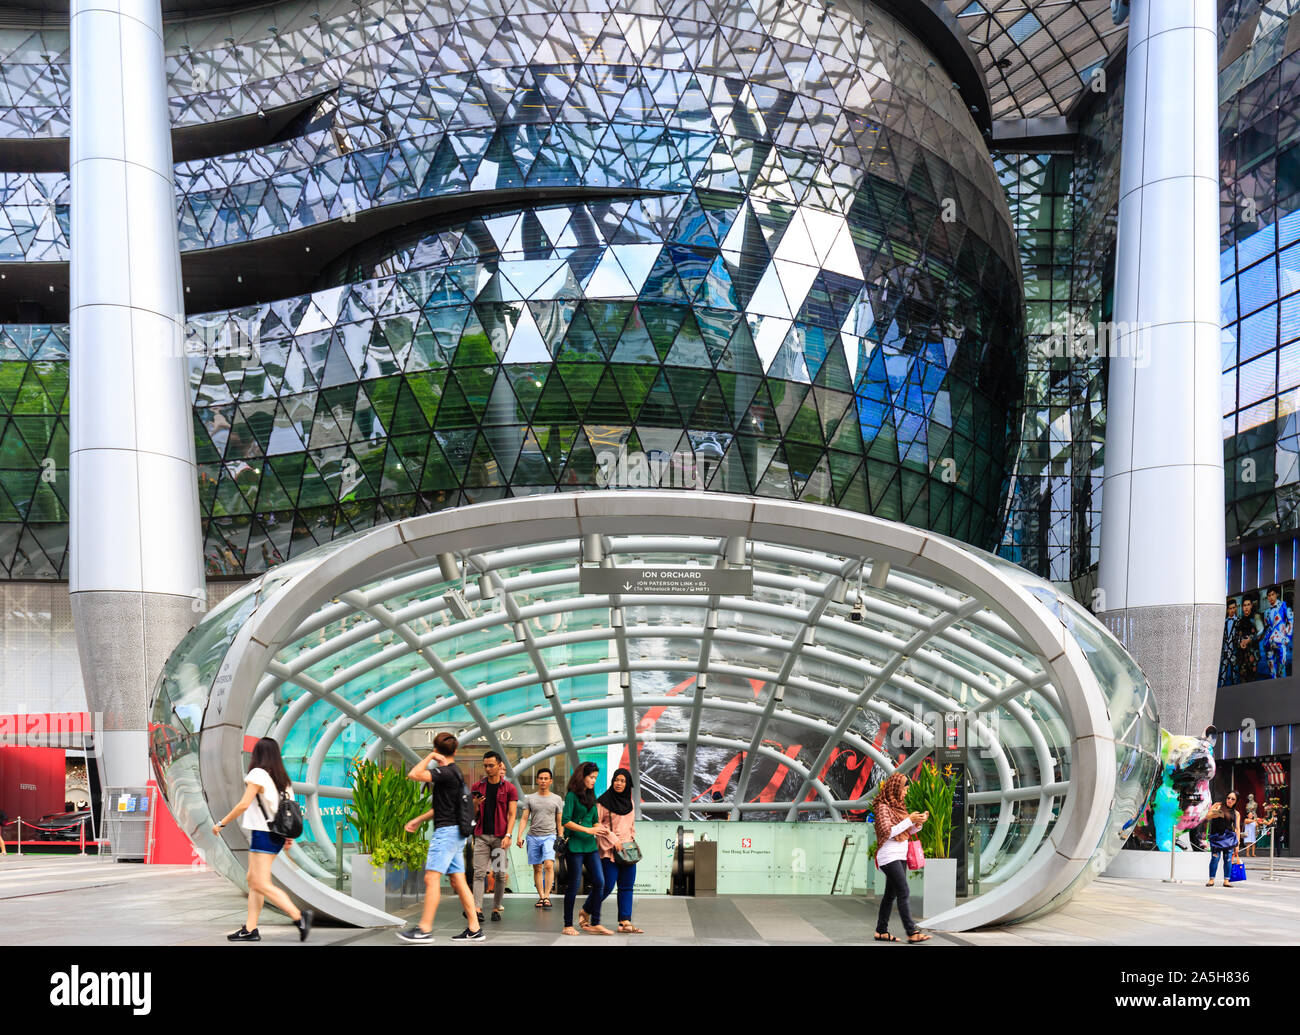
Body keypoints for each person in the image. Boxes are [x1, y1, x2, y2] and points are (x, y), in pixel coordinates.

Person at [211, 737, 313, 942]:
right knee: (253, 881)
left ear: (258, 754)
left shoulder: (257, 774)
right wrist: (287, 837)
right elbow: (288, 811)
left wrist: (221, 823)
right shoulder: (283, 781)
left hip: (263, 835)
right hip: (275, 836)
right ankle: (250, 929)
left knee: (260, 882)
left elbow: (243, 804)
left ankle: (299, 916)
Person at [398, 731, 484, 942]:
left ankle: (424, 929)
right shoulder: (455, 774)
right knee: (458, 880)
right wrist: (419, 819)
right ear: (455, 750)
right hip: (456, 833)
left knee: (432, 877)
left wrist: (429, 757)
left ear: (438, 750)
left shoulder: (444, 772)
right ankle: (474, 928)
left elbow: (414, 774)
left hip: (446, 833)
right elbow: (444, 807)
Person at [872, 770, 930, 943]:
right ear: (895, 788)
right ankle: (911, 932)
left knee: (890, 895)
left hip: (900, 855)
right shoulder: (882, 807)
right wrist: (909, 820)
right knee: (904, 891)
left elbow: (906, 830)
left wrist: (917, 823)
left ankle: (881, 931)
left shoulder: (898, 806)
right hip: (888, 857)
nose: (905, 793)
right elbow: (887, 831)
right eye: (904, 790)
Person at [561, 761, 611, 936]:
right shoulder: (571, 796)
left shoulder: (591, 795)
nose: (593, 781)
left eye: (595, 778)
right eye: (591, 777)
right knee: (573, 885)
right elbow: (565, 820)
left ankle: (594, 921)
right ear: (582, 776)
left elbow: (594, 819)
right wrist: (588, 829)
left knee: (600, 882)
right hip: (574, 846)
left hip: (590, 846)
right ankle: (567, 925)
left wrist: (602, 829)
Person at [470, 750, 518, 923]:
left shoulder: (509, 788)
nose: (488, 769)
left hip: (500, 839)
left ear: (500, 766)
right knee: (479, 873)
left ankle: (496, 907)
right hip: (482, 836)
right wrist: (475, 804)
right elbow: (472, 814)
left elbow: (512, 814)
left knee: (499, 874)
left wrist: (508, 834)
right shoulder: (477, 787)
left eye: (491, 765)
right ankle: (477, 908)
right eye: (485, 766)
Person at [595, 767, 643, 934]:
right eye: (617, 780)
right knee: (607, 885)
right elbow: (596, 823)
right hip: (609, 850)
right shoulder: (603, 802)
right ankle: (587, 909)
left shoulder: (630, 803)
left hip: (628, 850)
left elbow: (631, 825)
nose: (619, 783)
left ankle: (624, 921)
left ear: (628, 783)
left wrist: (631, 839)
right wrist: (613, 839)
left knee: (627, 886)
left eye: (623, 781)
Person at [517, 767, 563, 908]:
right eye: (541, 778)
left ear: (550, 781)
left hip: (550, 835)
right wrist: (519, 836)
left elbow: (559, 821)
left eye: (546, 778)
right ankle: (541, 896)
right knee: (537, 868)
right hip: (533, 837)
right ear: (537, 780)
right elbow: (524, 819)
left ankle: (547, 896)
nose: (543, 781)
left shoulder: (557, 799)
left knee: (549, 864)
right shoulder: (530, 798)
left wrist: (560, 837)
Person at [1203, 790, 1241, 887]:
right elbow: (1207, 817)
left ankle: (1226, 880)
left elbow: (1237, 829)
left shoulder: (1236, 813)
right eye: (1228, 798)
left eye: (1233, 799)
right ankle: (1211, 879)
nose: (1230, 800)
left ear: (1236, 801)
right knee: (1215, 858)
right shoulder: (1218, 805)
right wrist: (1217, 814)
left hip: (1229, 838)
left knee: (1228, 859)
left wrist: (1237, 844)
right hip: (1216, 836)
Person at [1262, 586, 1292, 678]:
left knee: (1281, 668)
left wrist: (1288, 637)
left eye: (1272, 595)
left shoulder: (1283, 605)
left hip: (1281, 641)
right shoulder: (1266, 612)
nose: (1271, 597)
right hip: (1269, 643)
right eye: (1269, 595)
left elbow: (1291, 621)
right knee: (1271, 671)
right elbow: (1267, 627)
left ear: (1276, 595)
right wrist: (1265, 640)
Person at [1237, 596, 1264, 681]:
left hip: (1253, 656)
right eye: (1244, 605)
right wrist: (1240, 643)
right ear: (1242, 607)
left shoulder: (1256, 617)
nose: (1246, 607)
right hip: (1242, 656)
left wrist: (1250, 639)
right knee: (1242, 681)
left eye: (1248, 605)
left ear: (1251, 606)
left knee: (1253, 681)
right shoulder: (1239, 621)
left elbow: (1261, 632)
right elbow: (1236, 637)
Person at [1219, 599, 1240, 686]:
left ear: (1236, 608)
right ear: (1227, 609)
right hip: (1225, 652)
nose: (1232, 610)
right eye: (1230, 608)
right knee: (1222, 676)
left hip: (1234, 652)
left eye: (1233, 608)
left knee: (1234, 675)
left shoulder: (1239, 621)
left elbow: (1239, 636)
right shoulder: (1224, 622)